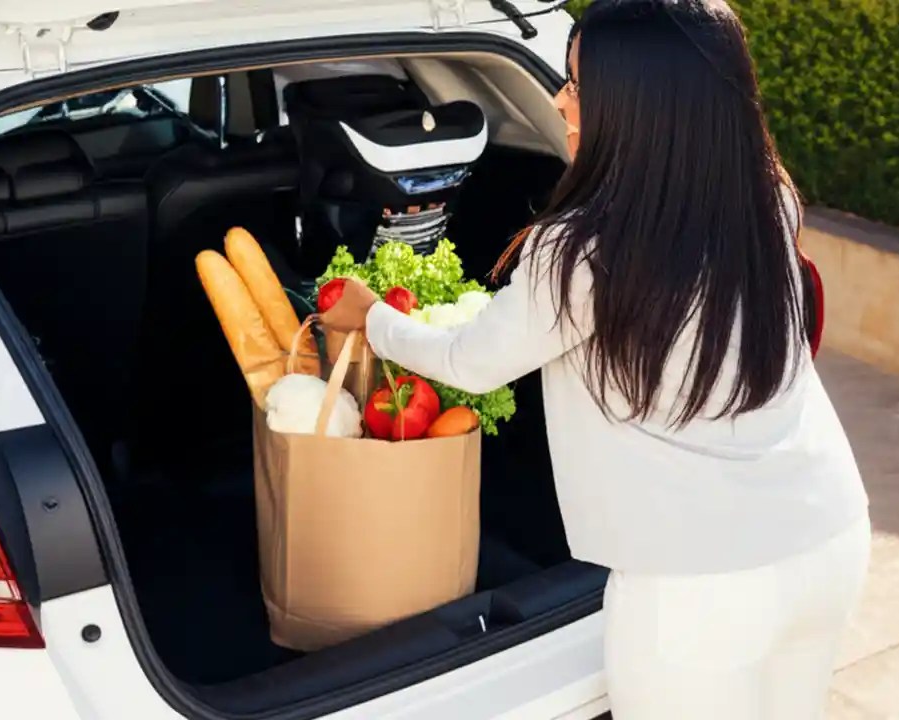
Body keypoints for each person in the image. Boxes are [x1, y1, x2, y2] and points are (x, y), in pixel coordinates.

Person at [320, 1, 870, 717]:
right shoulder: (767, 196)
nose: (559, 101)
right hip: (826, 534)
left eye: (577, 85)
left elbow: (472, 361)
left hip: (695, 588)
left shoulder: (582, 249)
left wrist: (374, 319)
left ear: (640, 108)